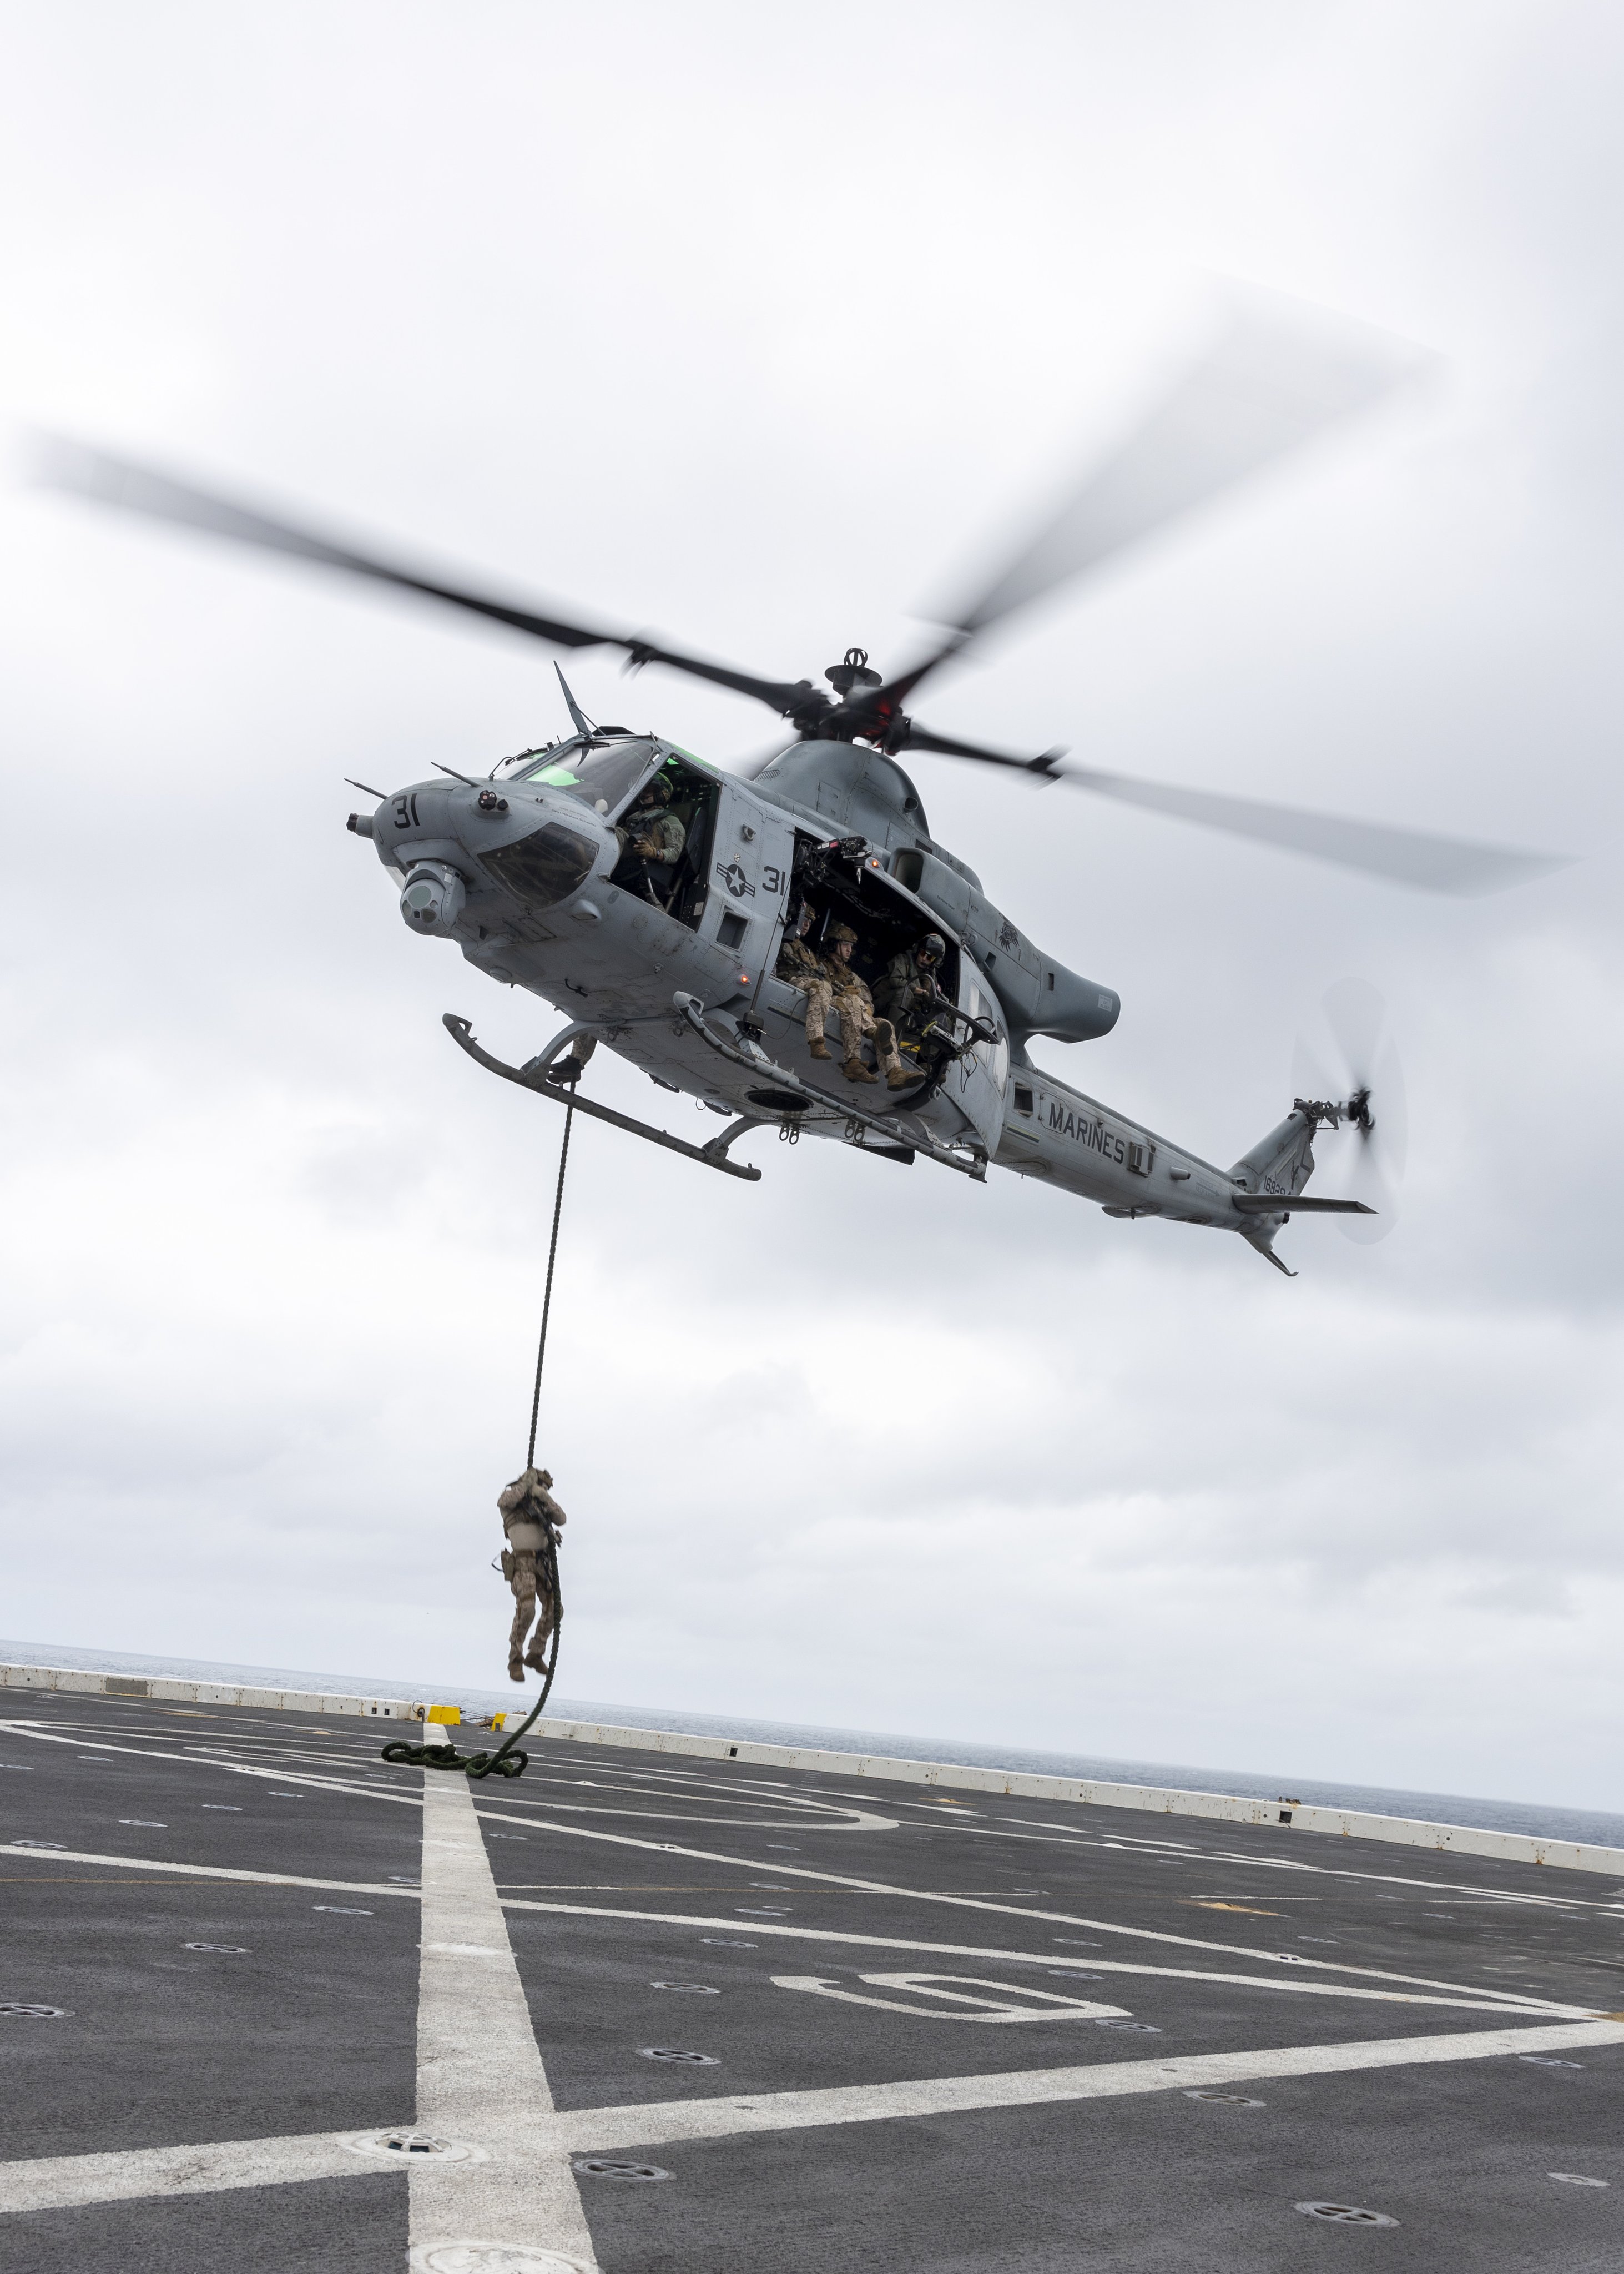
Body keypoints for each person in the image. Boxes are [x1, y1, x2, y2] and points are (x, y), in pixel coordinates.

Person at [497, 1465, 567, 1683]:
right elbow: (504, 1502)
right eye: (541, 1485)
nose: (543, 1490)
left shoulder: (542, 1505)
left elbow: (561, 1518)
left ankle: (536, 1654)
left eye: (546, 1488)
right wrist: (526, 1486)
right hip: (522, 1563)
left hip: (542, 1563)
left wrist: (543, 1496)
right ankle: (515, 1659)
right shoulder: (512, 1500)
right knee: (527, 1610)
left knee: (555, 1610)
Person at [824, 921, 910, 1089]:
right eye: (846, 945)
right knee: (854, 1001)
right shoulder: (821, 967)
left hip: (859, 1017)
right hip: (834, 1009)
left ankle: (895, 1073)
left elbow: (867, 1000)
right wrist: (844, 995)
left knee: (885, 1024)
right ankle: (856, 1058)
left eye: (851, 946)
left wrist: (867, 1010)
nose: (850, 950)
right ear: (834, 944)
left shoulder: (852, 977)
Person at [774, 904, 839, 1060]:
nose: (806, 925)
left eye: (810, 922)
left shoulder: (806, 950)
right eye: (804, 919)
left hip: (809, 984)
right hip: (790, 981)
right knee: (821, 986)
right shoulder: (782, 938)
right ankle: (816, 1042)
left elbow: (820, 973)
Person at [878, 931, 949, 1069]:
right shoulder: (903, 960)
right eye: (923, 954)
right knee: (905, 994)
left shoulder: (930, 977)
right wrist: (917, 990)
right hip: (885, 1004)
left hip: (908, 1014)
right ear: (918, 950)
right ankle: (889, 1040)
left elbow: (934, 998)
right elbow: (894, 981)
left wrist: (931, 996)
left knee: (940, 1013)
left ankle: (928, 1059)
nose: (924, 959)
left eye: (930, 957)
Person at [611, 774, 686, 899]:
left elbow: (674, 853)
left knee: (616, 833)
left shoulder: (670, 821)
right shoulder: (635, 815)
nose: (644, 794)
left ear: (661, 794)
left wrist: (652, 852)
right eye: (643, 789)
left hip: (640, 862)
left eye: (649, 791)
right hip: (624, 861)